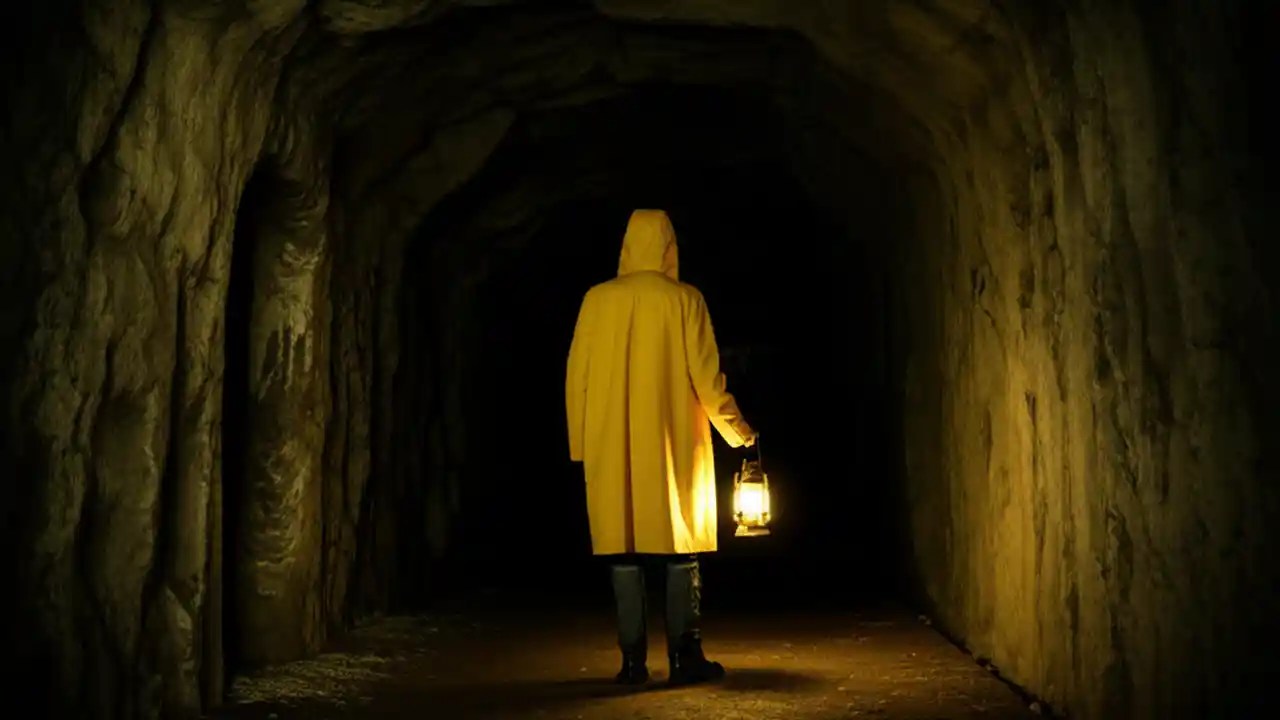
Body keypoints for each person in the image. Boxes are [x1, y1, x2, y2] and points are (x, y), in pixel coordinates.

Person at [565, 208, 757, 686]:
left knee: (623, 550)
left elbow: (577, 379)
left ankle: (632, 663)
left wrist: (582, 445)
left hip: (612, 445)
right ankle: (683, 657)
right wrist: (739, 432)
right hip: (674, 446)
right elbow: (707, 380)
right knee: (680, 547)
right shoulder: (684, 300)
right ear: (670, 247)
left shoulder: (596, 300)